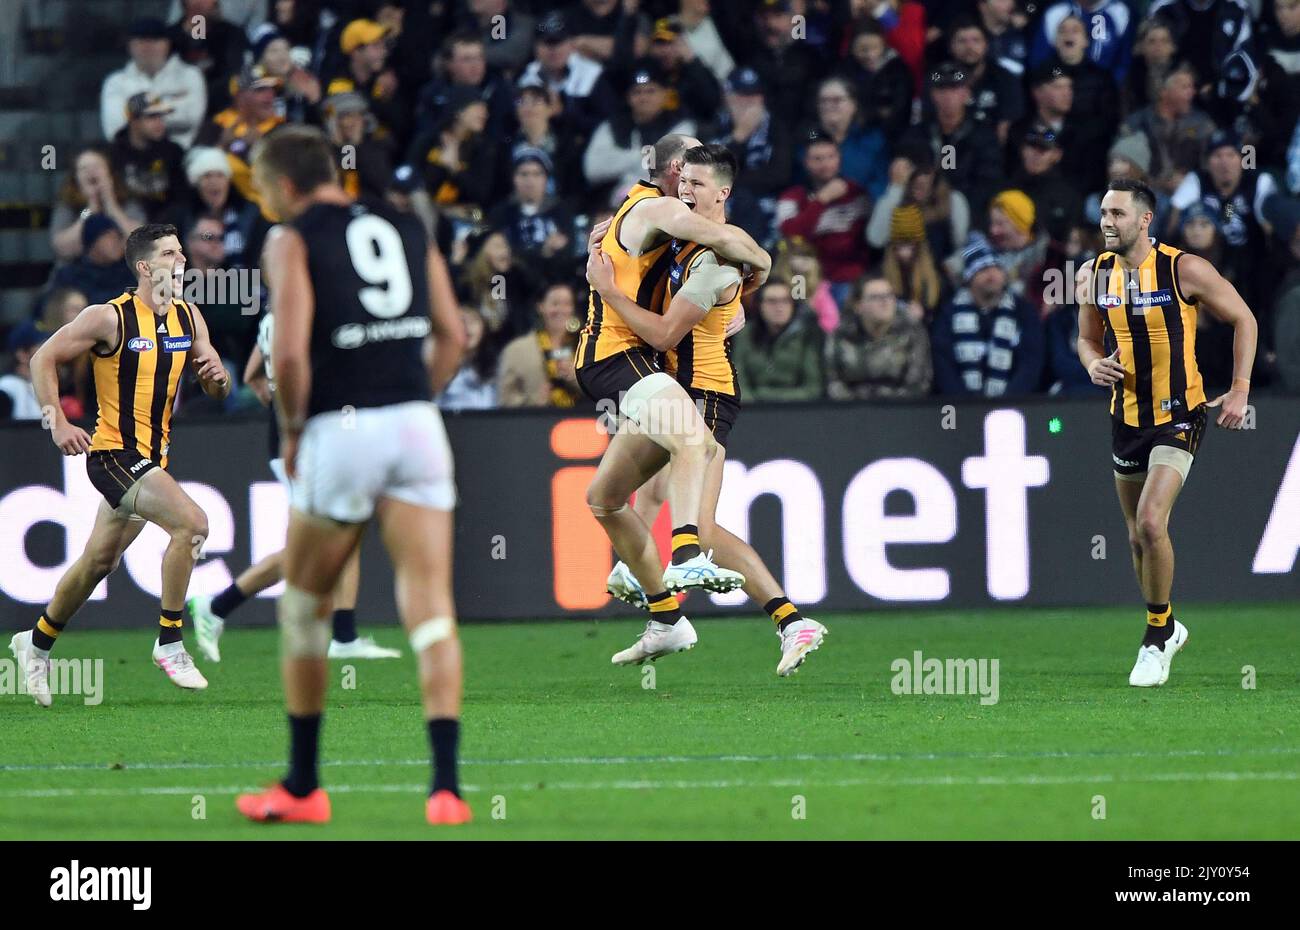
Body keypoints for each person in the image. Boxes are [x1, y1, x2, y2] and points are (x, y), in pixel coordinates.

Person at [237, 125, 469, 826]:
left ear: (282, 184)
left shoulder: (291, 237)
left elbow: (295, 351)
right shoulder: (407, 222)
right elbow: (454, 336)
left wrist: (295, 430)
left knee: (303, 608)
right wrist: (413, 399)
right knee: (430, 605)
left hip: (342, 426)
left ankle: (304, 786)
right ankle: (447, 791)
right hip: (416, 423)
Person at [586, 143, 827, 676]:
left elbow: (665, 331)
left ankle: (784, 618)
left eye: (698, 184)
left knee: (702, 526)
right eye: (683, 181)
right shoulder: (683, 240)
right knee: (612, 495)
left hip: (704, 394)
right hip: (670, 384)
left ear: (722, 194)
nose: (686, 191)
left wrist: (608, 292)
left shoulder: (716, 261)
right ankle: (660, 600)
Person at [10, 224, 231, 706]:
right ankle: (170, 642)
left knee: (98, 563)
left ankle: (36, 643)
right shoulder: (108, 319)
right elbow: (43, 359)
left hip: (153, 457)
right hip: (112, 456)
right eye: (171, 254)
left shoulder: (190, 318)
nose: (183, 261)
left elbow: (216, 384)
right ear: (145, 267)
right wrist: (57, 424)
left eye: (181, 252)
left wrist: (217, 378)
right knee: (193, 524)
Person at [1075, 177, 1257, 687]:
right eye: (1104, 213)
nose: (1107, 222)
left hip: (1180, 413)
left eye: (1117, 214)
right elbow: (1087, 339)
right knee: (1136, 536)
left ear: (1144, 219)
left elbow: (1244, 317)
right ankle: (1168, 624)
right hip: (1126, 418)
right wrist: (1092, 363)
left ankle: (1156, 637)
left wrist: (1240, 388)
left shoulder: (1184, 268)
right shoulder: (1092, 274)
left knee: (1153, 523)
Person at [186, 306, 402, 663]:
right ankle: (218, 605)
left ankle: (343, 635)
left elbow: (255, 372)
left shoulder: (276, 313)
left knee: (341, 533)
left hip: (294, 435)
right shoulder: (310, 311)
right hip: (305, 439)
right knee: (320, 541)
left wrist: (277, 403)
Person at [931, 238, 1045, 396]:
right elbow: (944, 366)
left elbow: (1031, 363)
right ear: (969, 278)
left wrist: (1008, 400)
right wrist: (967, 404)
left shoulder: (1023, 311)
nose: (991, 275)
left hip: (1014, 405)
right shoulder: (949, 313)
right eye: (982, 269)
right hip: (962, 407)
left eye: (996, 268)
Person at [100, 17, 207, 148]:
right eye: (141, 41)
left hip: (185, 153)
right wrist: (170, 107)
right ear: (130, 46)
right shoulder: (116, 82)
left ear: (167, 44)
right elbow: (115, 127)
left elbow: (192, 118)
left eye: (155, 40)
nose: (148, 47)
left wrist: (139, 117)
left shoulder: (190, 75)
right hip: (134, 157)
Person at [825, 273, 933, 399]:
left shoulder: (912, 330)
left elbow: (918, 384)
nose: (885, 302)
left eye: (889, 295)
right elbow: (832, 381)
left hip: (900, 410)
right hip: (851, 411)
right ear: (858, 305)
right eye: (875, 297)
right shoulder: (841, 334)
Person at [731, 278, 825, 401]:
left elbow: (813, 388)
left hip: (798, 409)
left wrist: (765, 396)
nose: (779, 307)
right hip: (752, 411)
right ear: (759, 305)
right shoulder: (744, 334)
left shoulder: (807, 335)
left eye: (785, 301)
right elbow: (738, 382)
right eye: (771, 301)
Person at [496, 281, 583, 407]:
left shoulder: (585, 346)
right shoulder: (517, 350)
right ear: (541, 306)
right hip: (533, 423)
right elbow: (504, 399)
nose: (561, 310)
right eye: (555, 304)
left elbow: (602, 392)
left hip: (579, 422)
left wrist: (576, 378)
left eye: (567, 304)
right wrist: (532, 402)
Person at [108, 93, 188, 221]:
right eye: (152, 117)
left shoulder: (174, 152)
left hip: (167, 228)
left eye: (161, 116)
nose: (159, 123)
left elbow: (181, 200)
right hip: (125, 225)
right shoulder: (113, 154)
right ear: (133, 120)